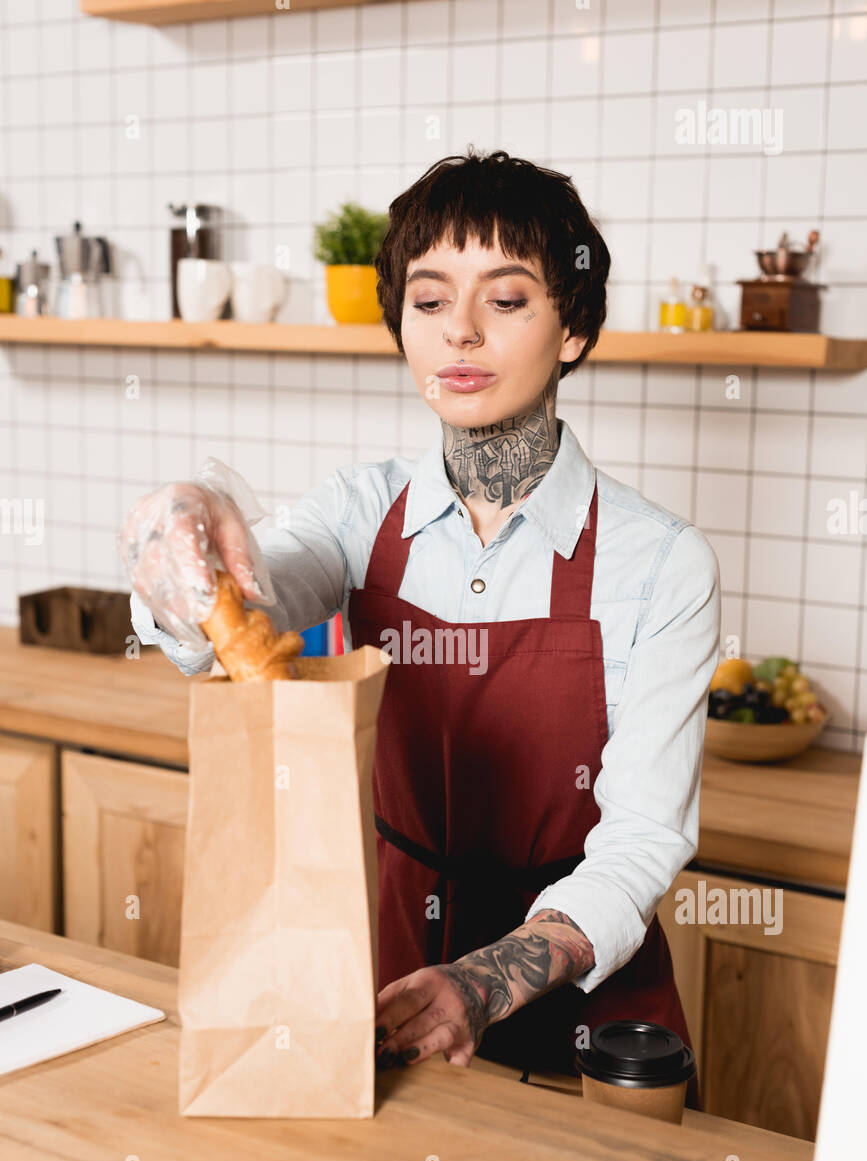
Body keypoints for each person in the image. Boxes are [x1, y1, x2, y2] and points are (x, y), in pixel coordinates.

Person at [121, 149, 719, 1107]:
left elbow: (642, 839)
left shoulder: (660, 562)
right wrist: (179, 530)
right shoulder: (358, 513)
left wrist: (483, 983)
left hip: (586, 1007)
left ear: (573, 328)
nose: (462, 335)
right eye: (430, 301)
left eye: (508, 300)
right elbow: (224, 626)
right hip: (385, 972)